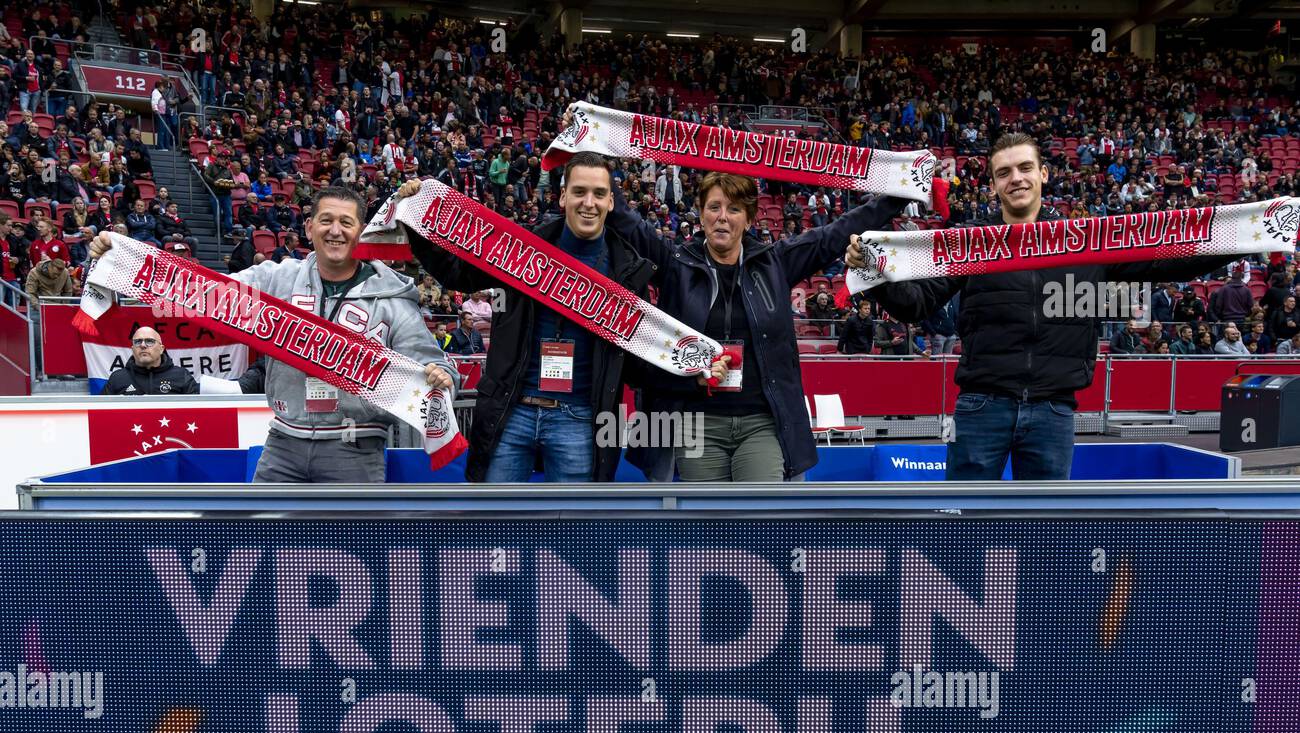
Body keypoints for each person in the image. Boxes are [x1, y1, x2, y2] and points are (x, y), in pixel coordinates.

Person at [851, 132, 1233, 481]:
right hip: (983, 406)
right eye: (1004, 172)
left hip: (1054, 410)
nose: (1015, 178)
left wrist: (1239, 237)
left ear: (1044, 174)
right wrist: (878, 277)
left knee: (1046, 536)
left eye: (1025, 168)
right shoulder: (969, 242)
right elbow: (917, 305)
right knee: (961, 527)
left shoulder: (1087, 241)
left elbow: (1166, 259)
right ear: (994, 184)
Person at [91, 185, 456, 482]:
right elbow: (202, 291)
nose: (335, 230)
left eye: (347, 222)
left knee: (352, 560)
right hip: (283, 445)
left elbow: (435, 365)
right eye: (326, 220)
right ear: (309, 226)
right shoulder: (277, 278)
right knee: (266, 556)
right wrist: (123, 257)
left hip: (356, 449)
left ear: (362, 231)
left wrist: (442, 377)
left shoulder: (392, 298)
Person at [608, 165, 908, 481]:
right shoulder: (675, 263)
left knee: (761, 519)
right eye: (714, 207)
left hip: (762, 421)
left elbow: (834, 234)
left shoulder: (774, 262)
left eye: (734, 209)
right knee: (706, 522)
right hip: (696, 422)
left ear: (749, 219)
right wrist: (593, 147)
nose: (722, 216)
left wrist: (900, 194)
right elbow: (628, 224)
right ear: (701, 214)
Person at [397, 151, 658, 482]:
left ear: (610, 203)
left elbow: (643, 353)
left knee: (573, 528)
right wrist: (416, 223)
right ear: (562, 196)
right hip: (512, 410)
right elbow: (457, 275)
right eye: (579, 191)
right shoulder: (519, 247)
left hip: (579, 418)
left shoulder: (628, 272)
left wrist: (695, 367)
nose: (588, 202)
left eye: (599, 194)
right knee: (498, 527)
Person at [103, 326, 199, 395]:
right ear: (132, 349)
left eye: (149, 341)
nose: (143, 345)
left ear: (161, 349)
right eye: (138, 342)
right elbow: (100, 413)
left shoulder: (181, 376)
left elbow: (199, 410)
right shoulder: (117, 378)